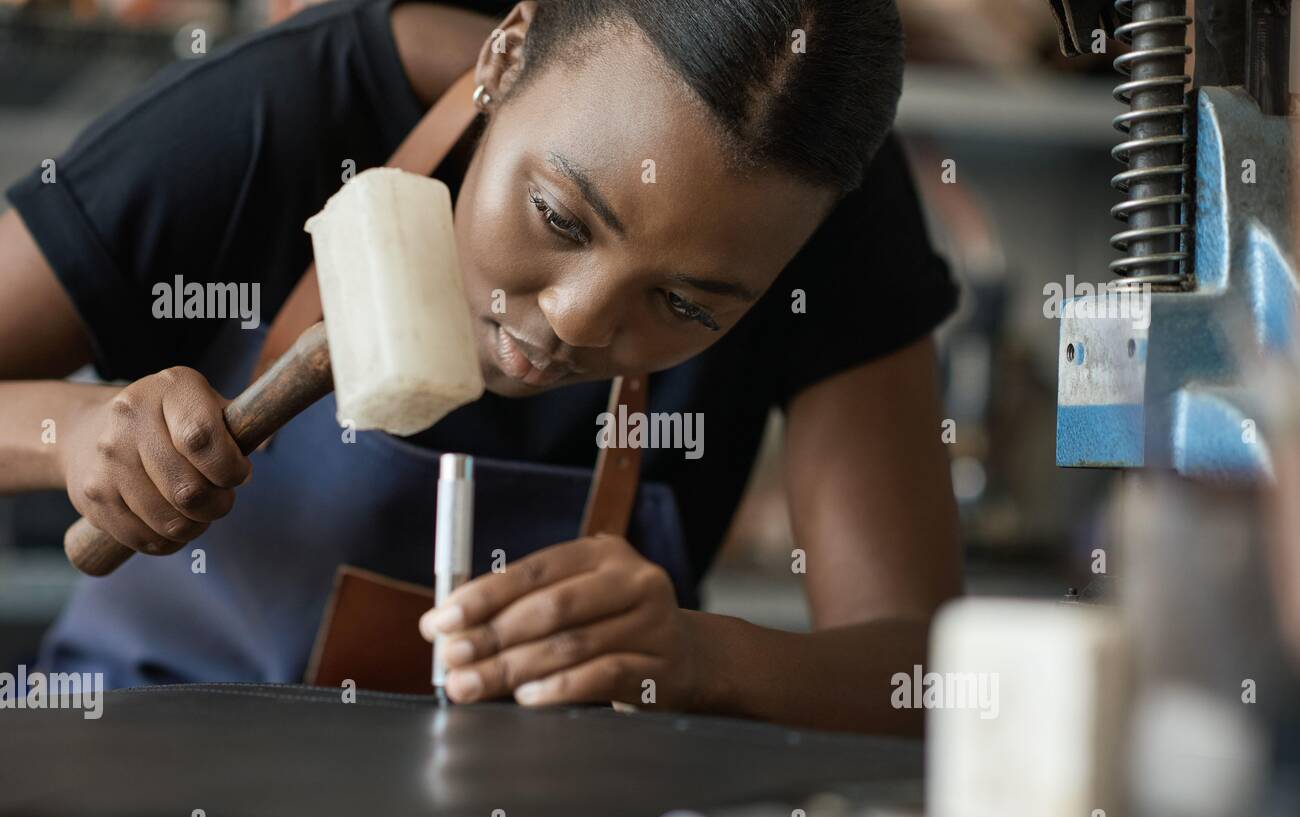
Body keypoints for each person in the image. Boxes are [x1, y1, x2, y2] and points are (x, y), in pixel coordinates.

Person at [0, 0, 962, 733]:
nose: (576, 322)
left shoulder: (819, 209)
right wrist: (76, 432)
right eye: (559, 217)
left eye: (682, 304)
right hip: (149, 808)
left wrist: (699, 658)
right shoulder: (288, 108)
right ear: (503, 56)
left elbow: (924, 677)